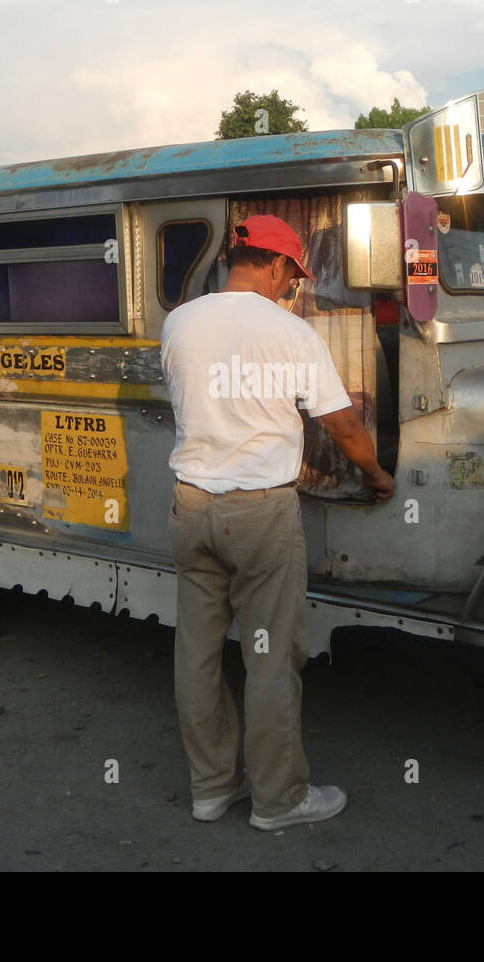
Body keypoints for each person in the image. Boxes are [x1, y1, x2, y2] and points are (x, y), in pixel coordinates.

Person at [160, 214, 396, 831]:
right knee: (268, 658)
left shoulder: (179, 322)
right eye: (292, 275)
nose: (293, 287)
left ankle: (210, 789)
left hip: (191, 506)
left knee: (198, 654)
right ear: (273, 264)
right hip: (259, 512)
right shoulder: (291, 333)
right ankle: (279, 801)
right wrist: (376, 475)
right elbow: (342, 425)